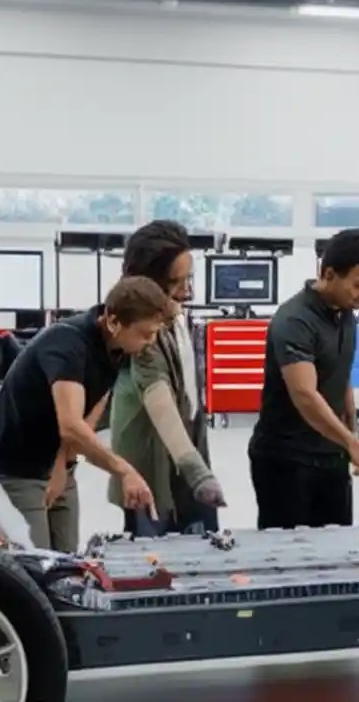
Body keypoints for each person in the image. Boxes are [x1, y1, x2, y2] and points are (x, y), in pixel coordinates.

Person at [0, 276, 167, 552]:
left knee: (67, 561)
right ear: (114, 322)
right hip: (17, 468)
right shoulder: (68, 344)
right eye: (145, 334)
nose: (151, 342)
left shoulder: (117, 349)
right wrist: (124, 470)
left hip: (55, 459)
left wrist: (63, 465)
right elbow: (70, 425)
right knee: (34, 563)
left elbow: (87, 419)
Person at [248, 228, 359, 530]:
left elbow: (341, 375)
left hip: (330, 456)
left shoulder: (345, 313)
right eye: (358, 284)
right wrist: (351, 443)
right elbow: (305, 396)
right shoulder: (294, 320)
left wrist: (354, 440)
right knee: (289, 551)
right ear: (328, 274)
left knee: (337, 546)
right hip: (287, 461)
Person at [109, 220, 226, 538]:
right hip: (153, 468)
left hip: (187, 452)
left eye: (189, 278)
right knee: (156, 559)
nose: (187, 290)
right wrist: (198, 473)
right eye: (176, 282)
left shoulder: (174, 316)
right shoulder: (143, 335)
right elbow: (159, 400)